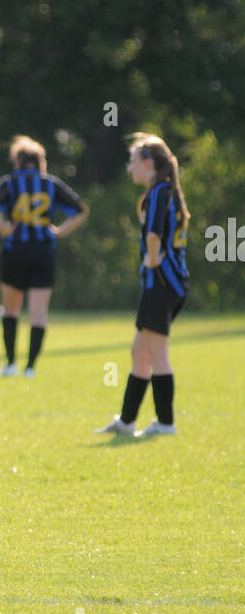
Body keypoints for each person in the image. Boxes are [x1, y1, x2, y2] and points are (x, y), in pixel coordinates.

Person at [95, 133, 189, 438]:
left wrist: (150, 260)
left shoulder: (159, 192)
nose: (129, 167)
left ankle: (165, 424)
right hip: (168, 284)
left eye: (133, 160)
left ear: (148, 163)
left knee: (156, 354)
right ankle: (127, 422)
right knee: (140, 352)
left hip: (161, 283)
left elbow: (153, 235)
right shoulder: (165, 190)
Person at [0, 135, 89, 376]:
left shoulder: (9, 183)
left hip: (15, 252)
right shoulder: (51, 183)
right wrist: (60, 232)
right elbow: (81, 210)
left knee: (11, 310)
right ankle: (30, 367)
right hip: (43, 252)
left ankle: (11, 363)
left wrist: (3, 228)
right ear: (41, 161)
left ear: (17, 160)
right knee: (39, 312)